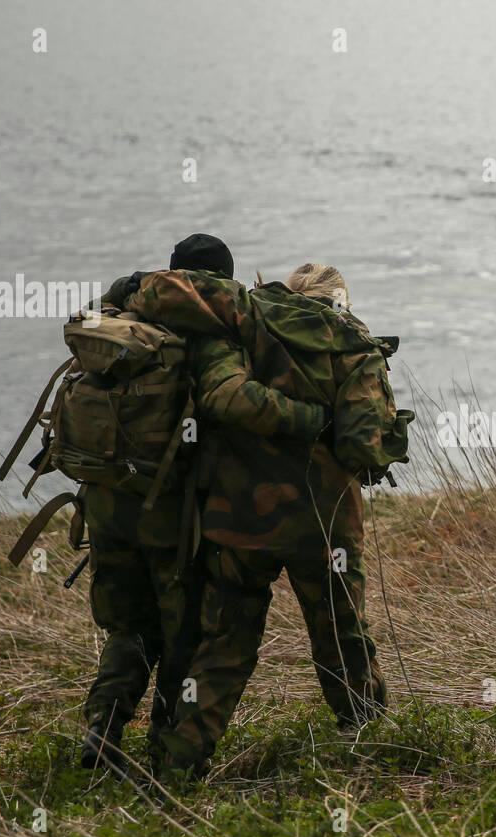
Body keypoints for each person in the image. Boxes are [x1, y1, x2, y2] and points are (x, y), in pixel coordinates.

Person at [79, 234, 329, 773]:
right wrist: (313, 422)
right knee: (183, 632)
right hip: (168, 509)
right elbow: (229, 398)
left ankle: (101, 728)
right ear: (224, 275)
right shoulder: (218, 321)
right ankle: (167, 750)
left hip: (103, 498)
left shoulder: (125, 303)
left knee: (129, 626)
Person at [135, 264, 392, 775]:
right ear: (340, 300)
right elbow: (364, 446)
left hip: (238, 518)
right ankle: (366, 735)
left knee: (224, 645)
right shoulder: (355, 346)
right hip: (326, 525)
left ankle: (181, 763)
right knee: (341, 633)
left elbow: (218, 392)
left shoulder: (246, 324)